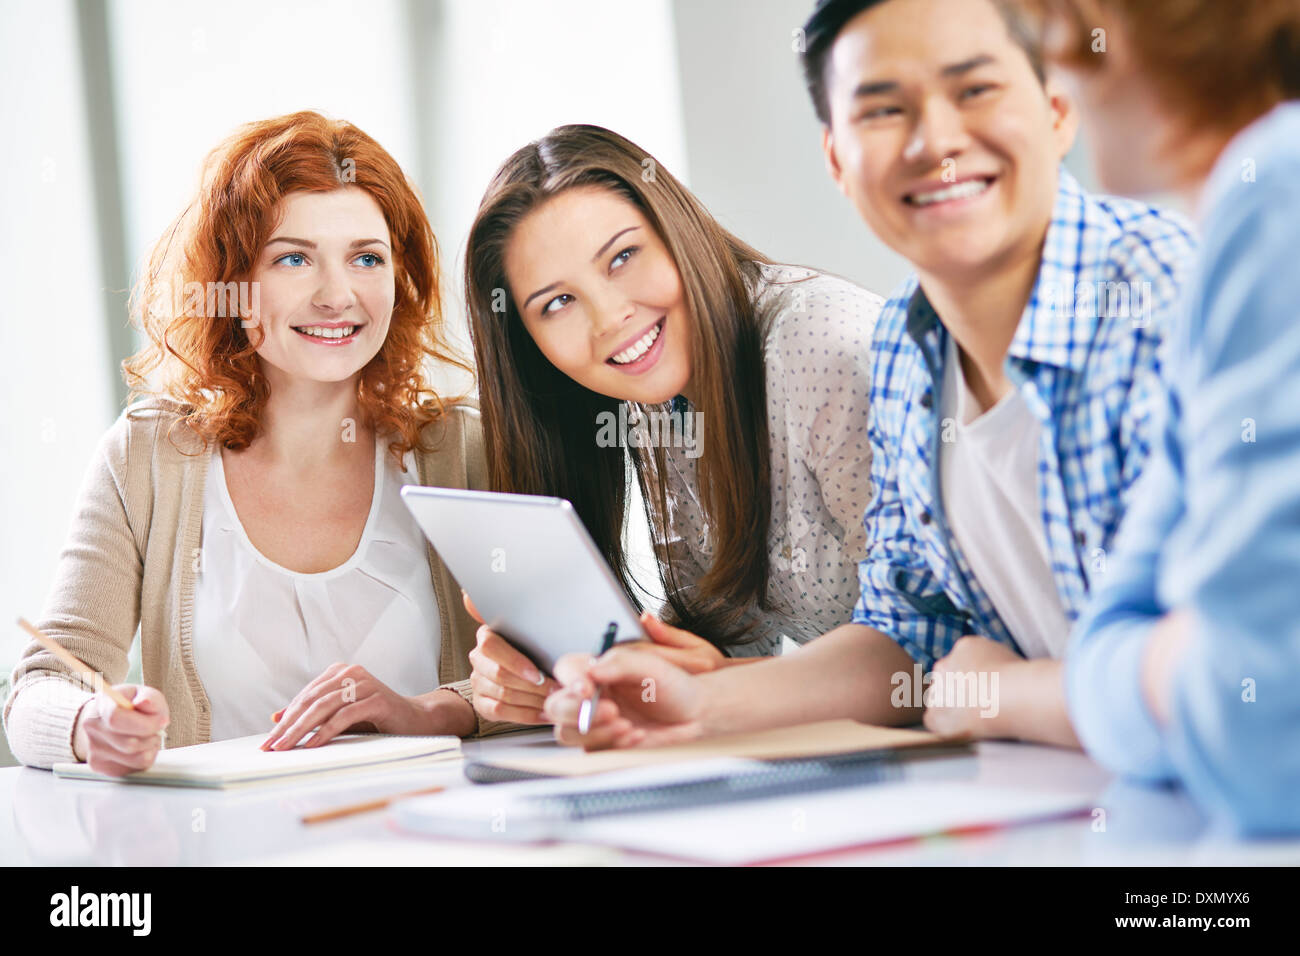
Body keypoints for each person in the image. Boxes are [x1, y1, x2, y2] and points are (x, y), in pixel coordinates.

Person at [542, 0, 1195, 751]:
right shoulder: (904, 350)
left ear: (1055, 110)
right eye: (883, 110)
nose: (936, 141)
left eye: (975, 90)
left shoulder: (1163, 303)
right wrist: (703, 702)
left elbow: (1233, 675)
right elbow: (906, 639)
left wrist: (1005, 697)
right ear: (837, 161)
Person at [4, 111, 487, 776]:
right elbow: (40, 688)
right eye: (293, 259)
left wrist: (429, 710)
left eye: (366, 258)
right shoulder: (146, 459)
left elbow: (560, 680)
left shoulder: (462, 452)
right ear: (233, 283)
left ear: (398, 279)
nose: (336, 295)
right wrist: (90, 724)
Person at [461, 124, 885, 729]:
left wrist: (710, 687)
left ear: (675, 231)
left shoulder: (821, 346)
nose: (610, 319)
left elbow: (932, 650)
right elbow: (727, 637)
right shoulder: (656, 396)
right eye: (557, 303)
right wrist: (535, 682)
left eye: (623, 257)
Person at [1025, 0, 1300, 833]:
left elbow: (1262, 726)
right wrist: (1172, 660)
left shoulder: (1275, 185)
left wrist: (1172, 666)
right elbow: (1107, 646)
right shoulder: (1238, 215)